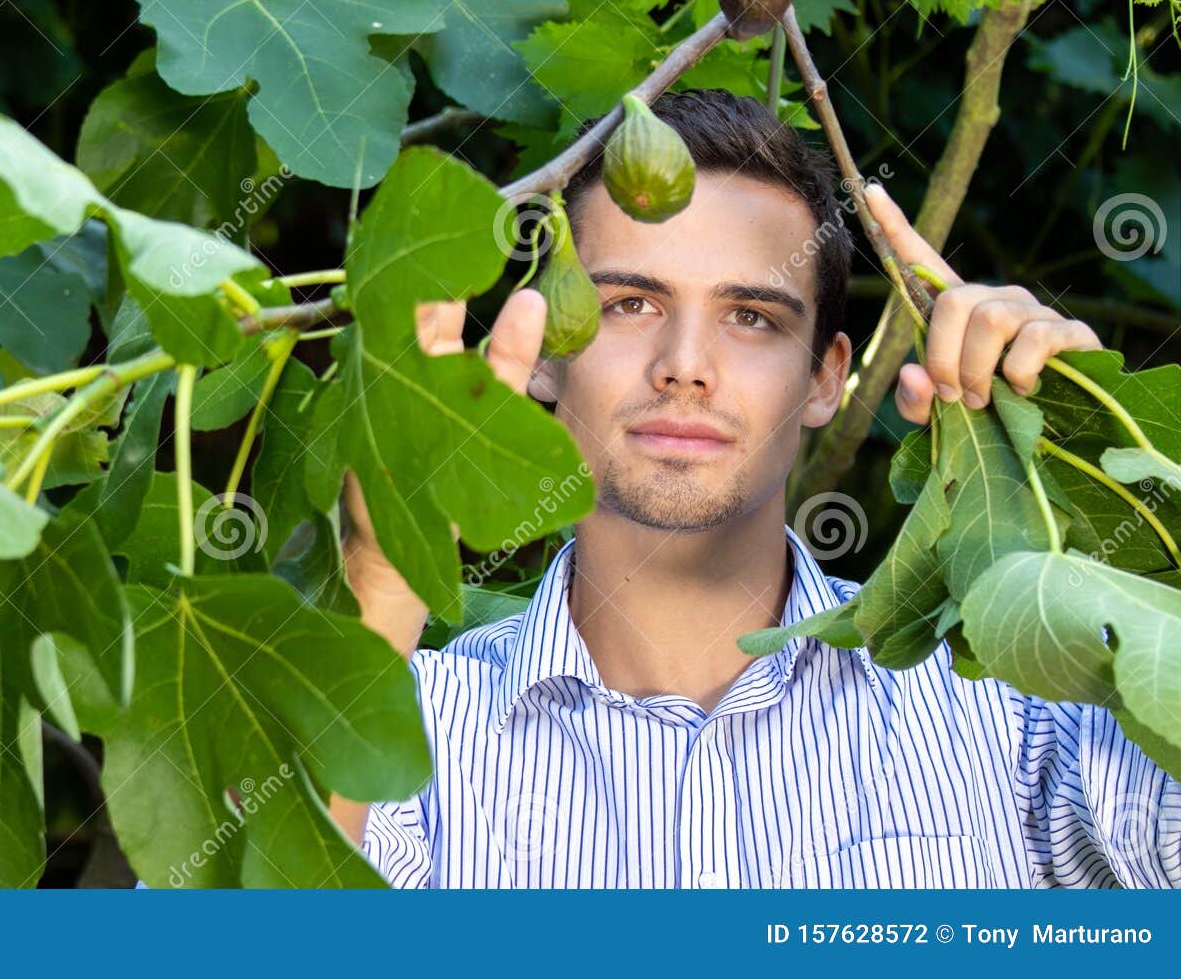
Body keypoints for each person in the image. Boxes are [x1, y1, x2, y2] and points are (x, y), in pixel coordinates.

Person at [327, 89, 1179, 889]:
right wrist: (380, 580)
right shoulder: (415, 732)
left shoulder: (1018, 707)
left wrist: (1094, 460)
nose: (686, 367)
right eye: (629, 303)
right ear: (548, 349)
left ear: (824, 378)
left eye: (752, 317)